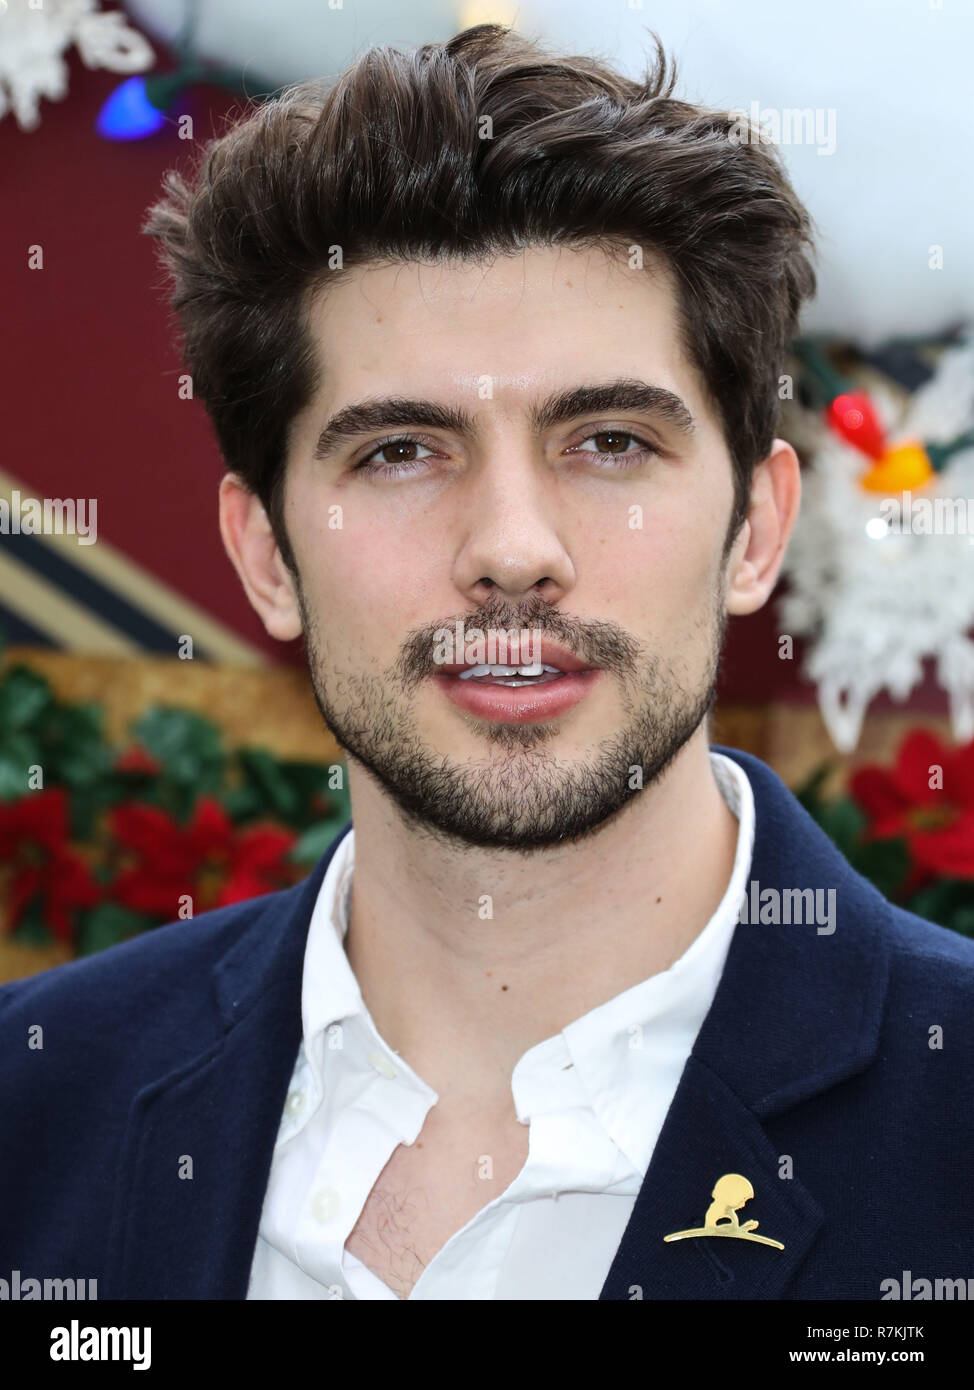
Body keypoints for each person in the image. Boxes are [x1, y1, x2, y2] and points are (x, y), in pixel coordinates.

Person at [2, 23, 972, 1302]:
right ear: (267, 557)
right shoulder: (33, 1104)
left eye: (611, 440)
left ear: (756, 529)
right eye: (399, 451)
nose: (512, 552)